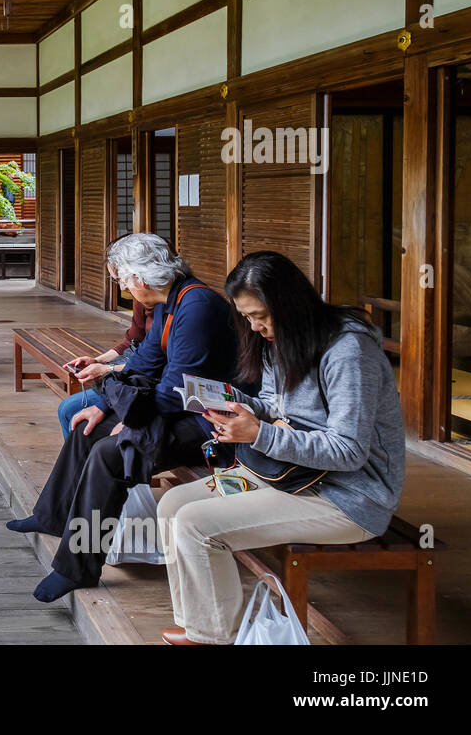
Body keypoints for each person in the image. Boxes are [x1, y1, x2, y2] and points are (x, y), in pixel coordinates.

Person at [157, 251, 405, 645]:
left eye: (261, 316)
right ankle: (202, 626)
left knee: (195, 524)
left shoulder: (348, 353)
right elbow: (276, 406)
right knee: (171, 506)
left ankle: (215, 637)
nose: (255, 327)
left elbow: (349, 451)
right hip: (288, 475)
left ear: (291, 303)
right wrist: (234, 404)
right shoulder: (282, 341)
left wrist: (258, 434)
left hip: (345, 496)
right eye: (247, 318)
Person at [5, 232, 237, 603]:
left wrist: (130, 419)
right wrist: (102, 406)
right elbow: (146, 360)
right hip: (173, 407)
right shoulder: (169, 301)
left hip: (211, 423)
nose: (123, 289)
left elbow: (178, 388)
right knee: (87, 427)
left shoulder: (197, 308)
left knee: (110, 452)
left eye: (121, 281)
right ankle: (53, 515)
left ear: (138, 281)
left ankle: (76, 568)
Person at [57, 295, 151, 437]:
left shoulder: (171, 309)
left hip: (144, 382)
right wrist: (97, 361)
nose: (124, 287)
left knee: (71, 412)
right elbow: (131, 343)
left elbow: (152, 363)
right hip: (128, 374)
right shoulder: (140, 298)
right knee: (66, 409)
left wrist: (106, 369)